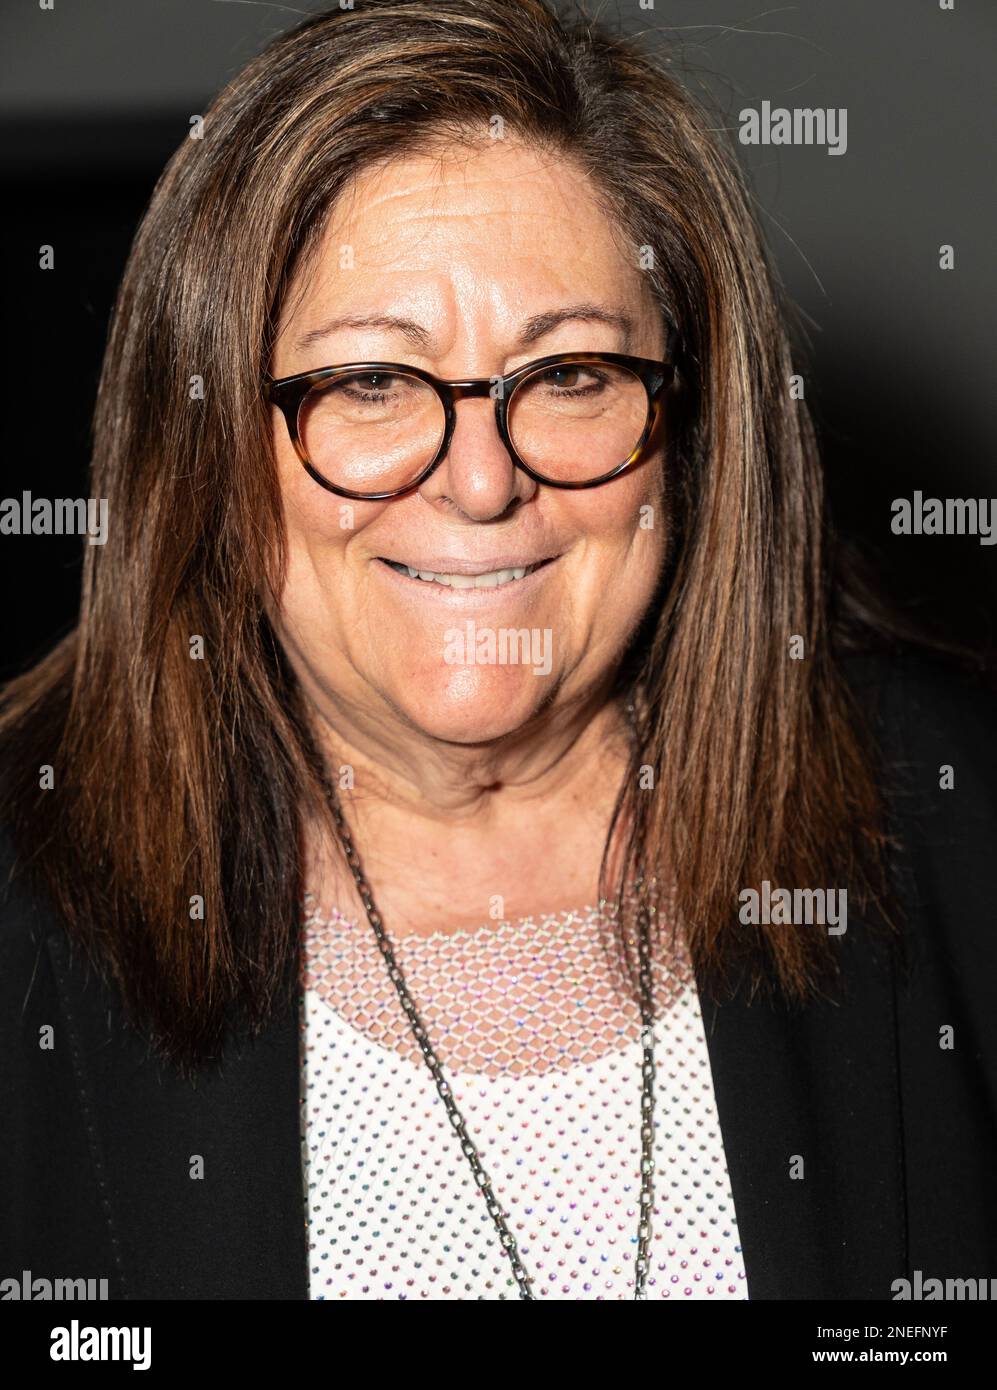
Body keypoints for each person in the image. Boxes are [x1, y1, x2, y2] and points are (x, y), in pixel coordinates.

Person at [1, 0, 994, 1302]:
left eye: (572, 373)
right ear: (203, 452)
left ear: (690, 434)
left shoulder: (954, 819)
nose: (480, 482)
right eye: (368, 382)